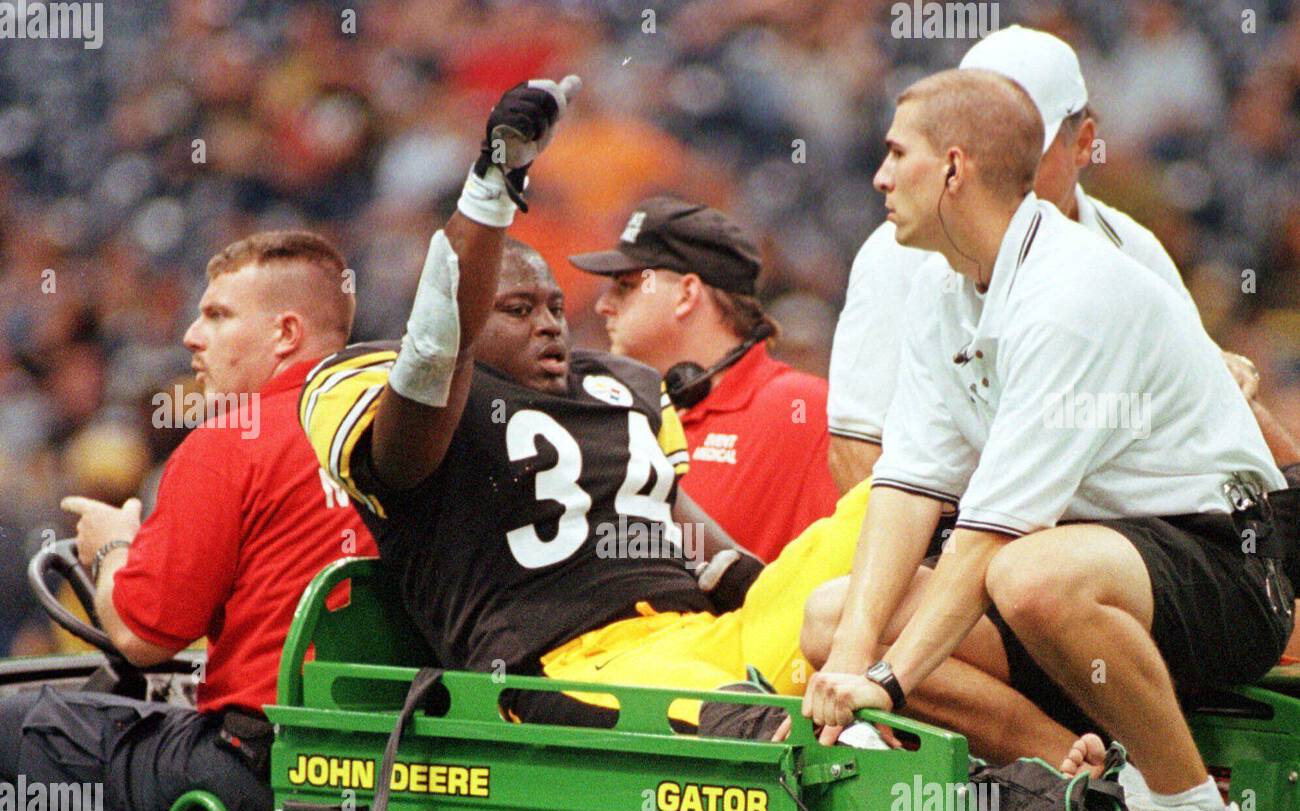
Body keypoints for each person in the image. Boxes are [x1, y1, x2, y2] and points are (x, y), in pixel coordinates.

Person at [803, 68, 1290, 811]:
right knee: (826, 616)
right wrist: (850, 662)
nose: (878, 177)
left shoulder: (1073, 293)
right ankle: (1106, 785)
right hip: (1094, 577)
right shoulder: (940, 288)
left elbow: (991, 534)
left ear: (952, 168)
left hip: (1229, 568)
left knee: (1029, 576)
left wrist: (889, 679)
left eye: (895, 154)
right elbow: (908, 488)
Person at [300, 78, 869, 736]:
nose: (552, 326)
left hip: (707, 633)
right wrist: (491, 187)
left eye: (553, 308)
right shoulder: (391, 384)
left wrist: (783, 592)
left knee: (886, 511)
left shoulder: (623, 382)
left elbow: (697, 542)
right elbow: (435, 352)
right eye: (518, 310)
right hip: (582, 662)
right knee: (756, 724)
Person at [0, 230, 377, 811]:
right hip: (378, 767)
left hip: (252, 763)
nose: (191, 338)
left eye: (216, 315)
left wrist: (112, 548)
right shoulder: (398, 441)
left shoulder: (233, 438)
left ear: (285, 334)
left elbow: (139, 636)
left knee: (20, 735)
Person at [825, 24, 1259, 494]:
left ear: (1082, 141)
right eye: (979, 145)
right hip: (950, 527)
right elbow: (856, 452)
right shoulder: (898, 254)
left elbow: (1208, 408)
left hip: (1102, 532)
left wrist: (1226, 370)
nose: (1001, 163)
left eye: (1028, 147)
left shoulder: (1130, 249)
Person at [569, 198, 838, 562]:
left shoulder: (803, 409)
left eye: (625, 286)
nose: (603, 305)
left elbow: (837, 568)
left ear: (686, 294)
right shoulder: (625, 417)